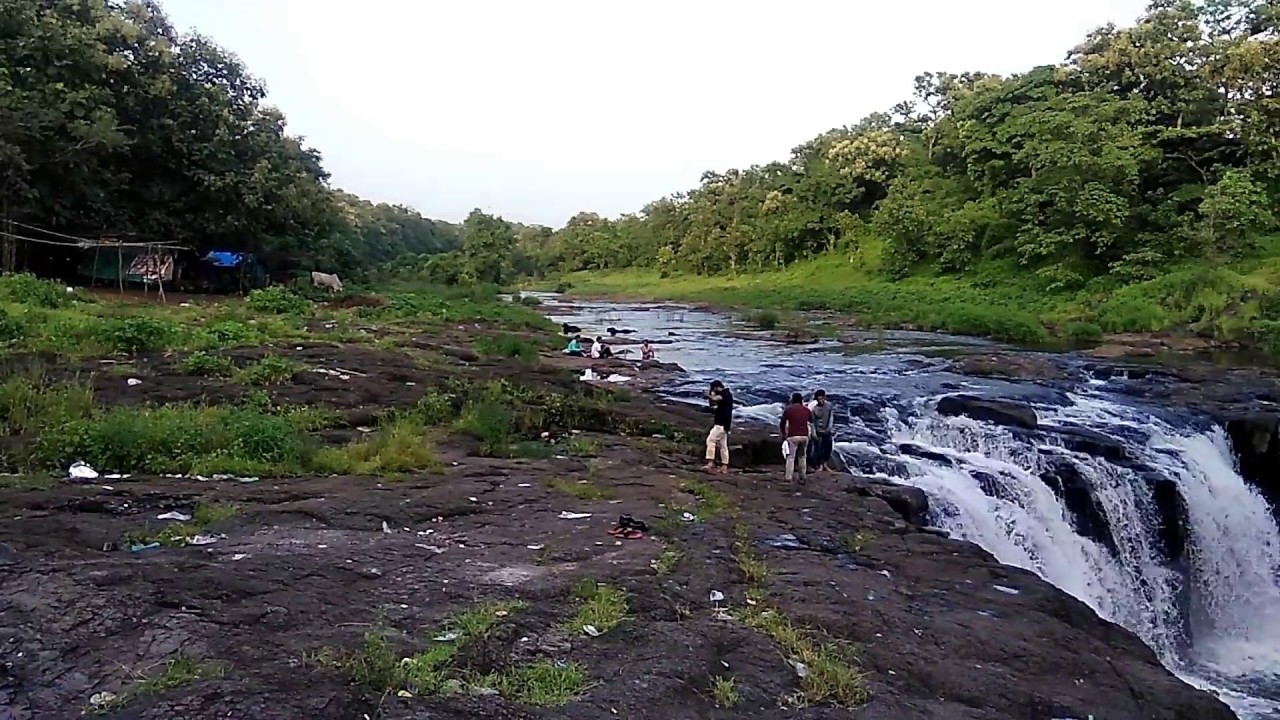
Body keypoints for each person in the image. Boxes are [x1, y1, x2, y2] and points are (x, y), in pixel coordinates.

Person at [780, 392, 812, 484]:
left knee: (791, 457)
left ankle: (788, 477)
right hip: (804, 436)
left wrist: (783, 433)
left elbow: (782, 423)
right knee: (802, 457)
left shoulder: (788, 410)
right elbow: (811, 420)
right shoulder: (806, 410)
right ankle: (802, 477)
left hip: (793, 435)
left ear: (792, 400)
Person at [704, 380, 733, 473]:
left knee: (710, 440)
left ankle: (710, 463)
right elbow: (713, 404)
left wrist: (708, 395)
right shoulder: (728, 394)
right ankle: (724, 466)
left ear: (716, 387)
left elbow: (715, 399)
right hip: (726, 425)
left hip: (720, 424)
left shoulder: (724, 394)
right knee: (723, 445)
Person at [807, 389, 835, 472]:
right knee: (818, 449)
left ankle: (825, 464)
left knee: (828, 448)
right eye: (819, 399)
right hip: (818, 431)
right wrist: (814, 433)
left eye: (822, 398)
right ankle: (818, 465)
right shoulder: (814, 409)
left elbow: (831, 417)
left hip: (827, 430)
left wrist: (830, 427)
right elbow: (812, 422)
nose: (821, 401)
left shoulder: (829, 405)